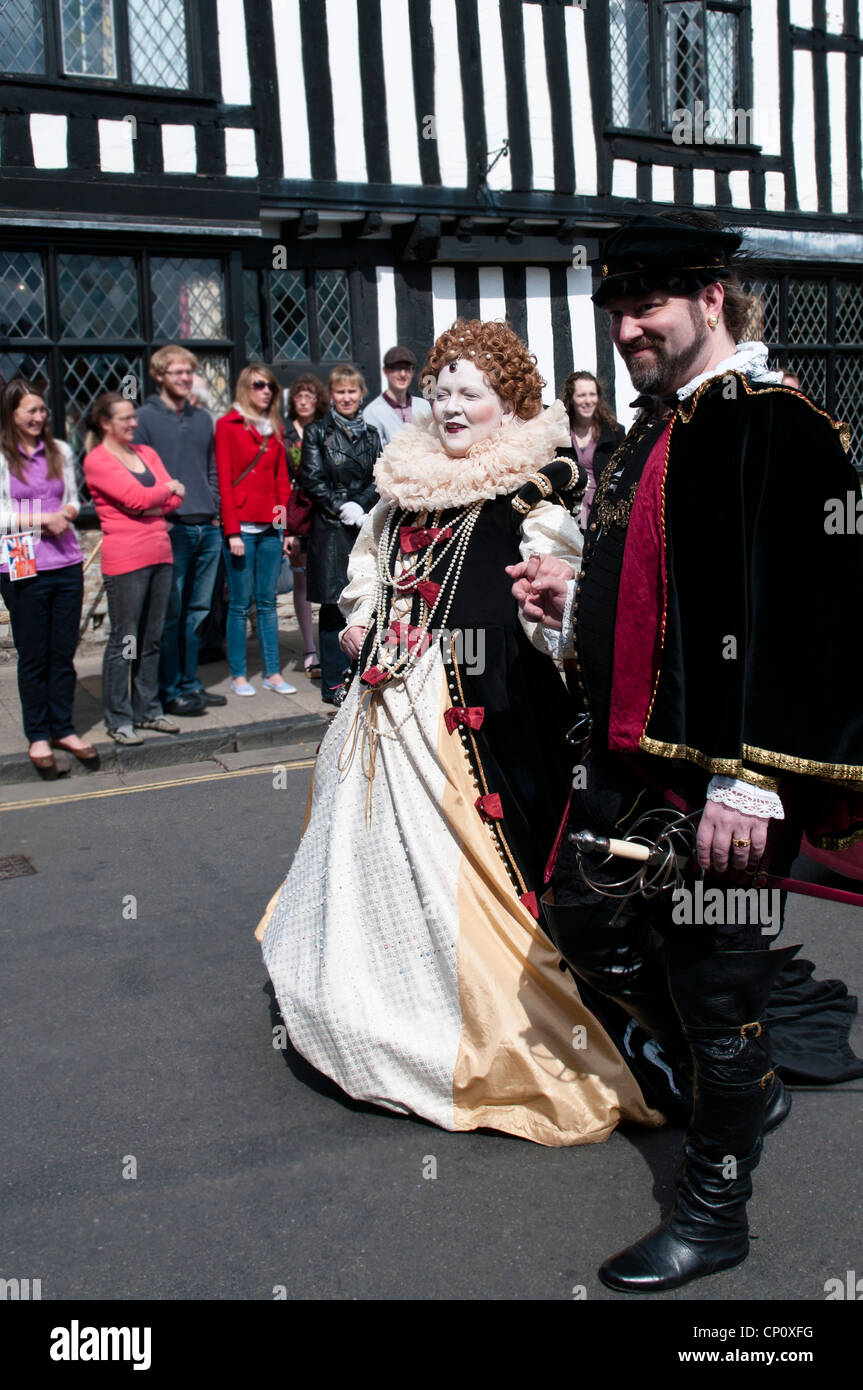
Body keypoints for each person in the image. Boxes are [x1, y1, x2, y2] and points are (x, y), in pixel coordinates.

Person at [510, 212, 863, 1290]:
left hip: (721, 780)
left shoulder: (775, 423)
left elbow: (813, 616)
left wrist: (748, 780)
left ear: (711, 297)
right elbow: (656, 600)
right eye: (615, 309)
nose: (626, 328)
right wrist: (573, 602)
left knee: (715, 988)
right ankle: (744, 1086)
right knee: (580, 917)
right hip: (628, 770)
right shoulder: (657, 427)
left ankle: (714, 1207)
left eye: (646, 306)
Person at [256, 319, 665, 1146]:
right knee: (364, 869)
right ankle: (366, 1008)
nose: (448, 407)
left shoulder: (531, 492)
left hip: (481, 721)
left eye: (468, 393)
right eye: (440, 392)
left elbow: (567, 613)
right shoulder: (402, 485)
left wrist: (550, 618)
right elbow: (365, 574)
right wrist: (362, 621)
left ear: (507, 402)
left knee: (476, 887)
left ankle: (492, 1038)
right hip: (386, 714)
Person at [0, 378, 95, 772]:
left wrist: (68, 515)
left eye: (42, 410)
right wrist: (43, 518)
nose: (39, 417)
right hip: (22, 561)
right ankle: (38, 735)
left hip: (66, 561)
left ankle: (64, 727)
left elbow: (73, 498)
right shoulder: (4, 457)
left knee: (62, 652)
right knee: (34, 655)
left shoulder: (58, 449)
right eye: (31, 411)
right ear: (12, 414)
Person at [83, 393, 185, 744]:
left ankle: (148, 711)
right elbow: (137, 499)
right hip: (126, 559)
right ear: (105, 424)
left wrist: (154, 500)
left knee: (152, 638)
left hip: (160, 552)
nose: (133, 422)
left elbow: (174, 498)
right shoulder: (98, 460)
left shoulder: (146, 454)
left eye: (133, 417)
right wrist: (159, 495)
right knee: (125, 639)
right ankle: (119, 717)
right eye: (125, 418)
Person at [133, 346, 227, 717]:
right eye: (176, 372)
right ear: (159, 376)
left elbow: (212, 470)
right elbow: (139, 474)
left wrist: (215, 508)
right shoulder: (142, 418)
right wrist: (162, 515)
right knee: (169, 615)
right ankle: (168, 689)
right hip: (170, 528)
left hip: (208, 527)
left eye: (189, 372)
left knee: (198, 612)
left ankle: (190, 683)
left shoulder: (204, 418)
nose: (185, 378)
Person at [299, 366, 380, 705]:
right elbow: (312, 478)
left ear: (361, 394)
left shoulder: (372, 433)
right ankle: (333, 683)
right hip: (331, 529)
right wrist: (341, 507)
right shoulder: (317, 431)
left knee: (365, 601)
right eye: (340, 392)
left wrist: (361, 506)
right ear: (331, 396)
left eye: (352, 391)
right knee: (334, 605)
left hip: (362, 525)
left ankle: (361, 672)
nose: (346, 398)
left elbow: (379, 475)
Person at [215, 364, 296, 697]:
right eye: (259, 385)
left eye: (271, 387)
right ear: (245, 388)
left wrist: (283, 528)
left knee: (267, 603)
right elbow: (224, 480)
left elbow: (281, 483)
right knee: (238, 603)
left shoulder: (274, 428)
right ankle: (238, 674)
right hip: (242, 528)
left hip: (269, 530)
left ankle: (272, 673)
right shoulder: (227, 425)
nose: (266, 391)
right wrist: (232, 532)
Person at [284, 374, 328, 679]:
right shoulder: (283, 434)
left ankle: (332, 642)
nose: (303, 400)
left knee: (328, 576)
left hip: (323, 507)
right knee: (301, 581)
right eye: (298, 395)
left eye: (309, 395)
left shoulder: (326, 428)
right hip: (296, 507)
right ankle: (310, 648)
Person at [560, 370, 624, 524]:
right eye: (581, 395)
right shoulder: (559, 433)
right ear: (571, 399)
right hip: (568, 514)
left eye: (592, 394)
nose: (588, 401)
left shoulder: (616, 433)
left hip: (603, 513)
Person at [362, 345, 432, 450]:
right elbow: (373, 455)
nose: (403, 374)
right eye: (397, 368)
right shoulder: (372, 412)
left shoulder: (423, 406)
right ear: (385, 370)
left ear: (412, 372)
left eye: (407, 369)